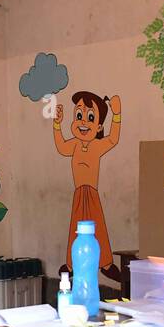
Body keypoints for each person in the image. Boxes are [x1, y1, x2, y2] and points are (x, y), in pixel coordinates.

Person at [53, 90, 122, 280]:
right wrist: (57, 124)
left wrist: (117, 115)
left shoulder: (97, 146)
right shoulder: (74, 144)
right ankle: (71, 264)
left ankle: (106, 263)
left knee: (97, 228)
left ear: (99, 126)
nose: (83, 122)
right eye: (79, 115)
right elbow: (60, 146)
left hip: (91, 193)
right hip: (78, 192)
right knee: (75, 229)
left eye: (90, 117)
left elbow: (114, 139)